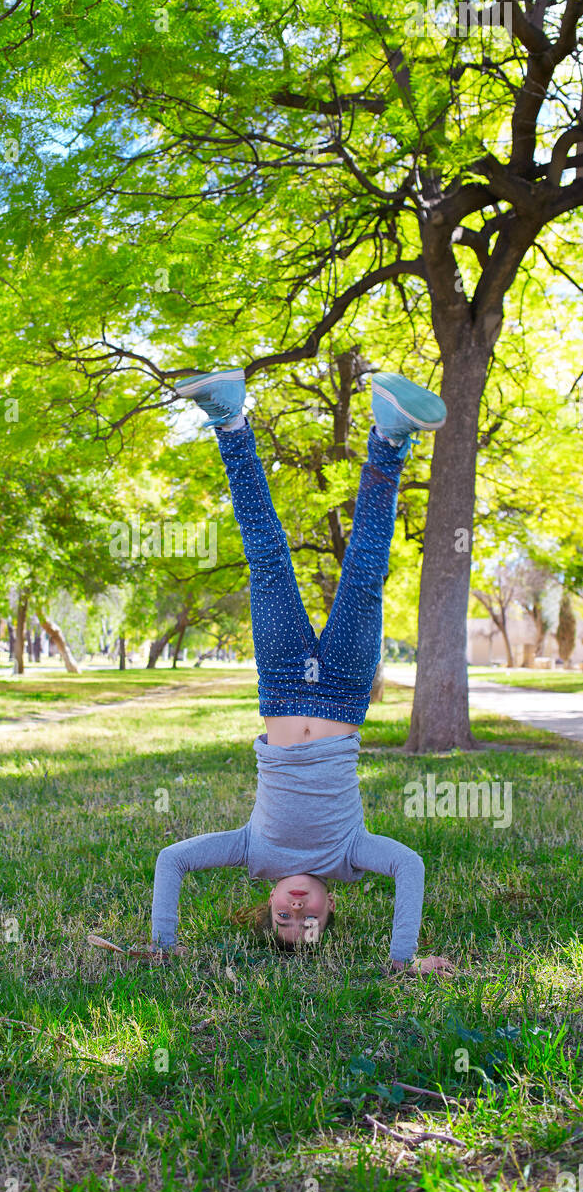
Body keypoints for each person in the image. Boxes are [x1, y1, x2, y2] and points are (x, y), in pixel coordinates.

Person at [144, 368, 454, 977]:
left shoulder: (251, 853)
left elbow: (170, 861)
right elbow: (410, 867)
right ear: (330, 902)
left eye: (283, 921)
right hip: (342, 692)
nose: (295, 911)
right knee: (365, 573)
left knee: (266, 559)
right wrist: (402, 960)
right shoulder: (351, 856)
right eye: (309, 921)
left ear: (266, 901)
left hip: (282, 684)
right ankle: (390, 440)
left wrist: (164, 942)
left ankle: (229, 420)